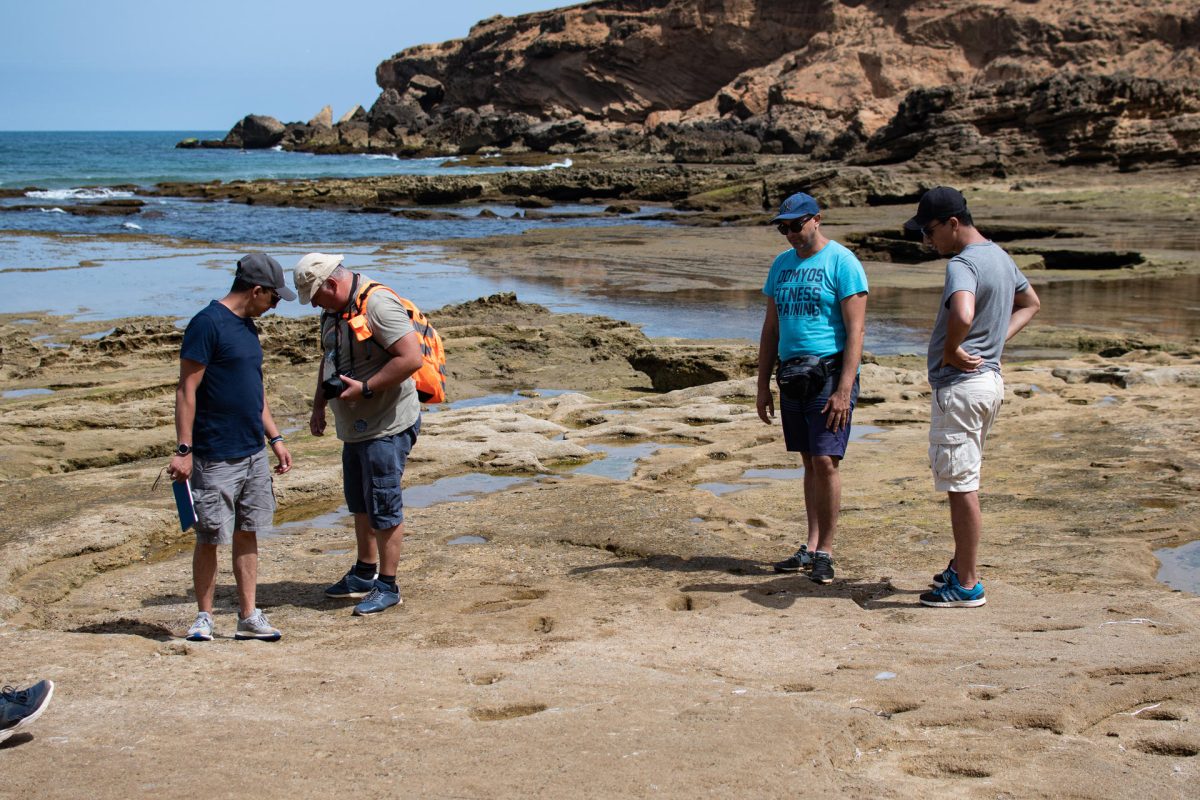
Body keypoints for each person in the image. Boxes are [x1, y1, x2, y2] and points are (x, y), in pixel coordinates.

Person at [904, 187, 1040, 608]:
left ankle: (967, 584)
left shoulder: (963, 264)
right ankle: (961, 565)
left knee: (962, 485)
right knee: (966, 476)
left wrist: (953, 350)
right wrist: (993, 344)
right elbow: (1031, 303)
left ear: (953, 224)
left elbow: (962, 313)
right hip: (989, 384)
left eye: (929, 231)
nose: (928, 241)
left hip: (962, 388)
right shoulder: (1000, 257)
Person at [169, 253, 295, 641]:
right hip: (214, 453)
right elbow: (187, 389)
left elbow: (255, 392)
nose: (274, 308)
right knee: (209, 535)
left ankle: (248, 616)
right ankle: (204, 617)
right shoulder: (207, 324)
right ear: (256, 290)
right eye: (274, 299)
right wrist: (185, 450)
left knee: (248, 531)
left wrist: (274, 438)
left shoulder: (247, 327)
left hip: (252, 453)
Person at [293, 253, 423, 616]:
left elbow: (411, 358)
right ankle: (365, 572)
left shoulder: (378, 304)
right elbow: (329, 357)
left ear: (331, 284)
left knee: (383, 503)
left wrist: (366, 388)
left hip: (387, 423)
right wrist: (318, 405)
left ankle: (388, 585)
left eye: (315, 296)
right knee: (361, 501)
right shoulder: (333, 311)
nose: (313, 305)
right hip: (355, 428)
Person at [758, 192, 869, 584]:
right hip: (791, 376)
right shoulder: (781, 265)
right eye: (782, 227)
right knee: (808, 461)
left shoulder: (842, 262)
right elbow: (771, 328)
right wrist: (761, 385)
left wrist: (844, 388)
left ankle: (826, 551)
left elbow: (856, 330)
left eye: (795, 225)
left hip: (829, 374)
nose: (789, 233)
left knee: (826, 461)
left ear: (816, 219)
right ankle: (810, 544)